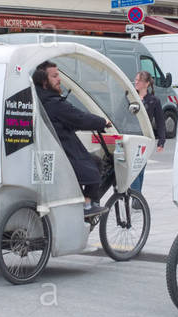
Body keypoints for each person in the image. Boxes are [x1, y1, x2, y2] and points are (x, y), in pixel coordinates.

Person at [33, 60, 112, 217]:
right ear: (44, 82)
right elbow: (80, 118)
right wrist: (103, 122)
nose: (59, 79)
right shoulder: (54, 103)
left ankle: (80, 200)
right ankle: (87, 205)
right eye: (54, 76)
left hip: (48, 152)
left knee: (88, 161)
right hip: (63, 154)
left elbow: (67, 121)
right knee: (94, 163)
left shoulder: (38, 99)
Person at [130, 70, 166, 193]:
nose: (135, 82)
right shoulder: (130, 97)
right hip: (130, 137)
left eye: (138, 80)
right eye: (135, 79)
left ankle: (136, 197)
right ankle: (136, 197)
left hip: (145, 138)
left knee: (140, 169)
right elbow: (120, 115)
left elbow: (160, 121)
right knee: (133, 168)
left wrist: (161, 141)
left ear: (146, 84)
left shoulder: (153, 101)